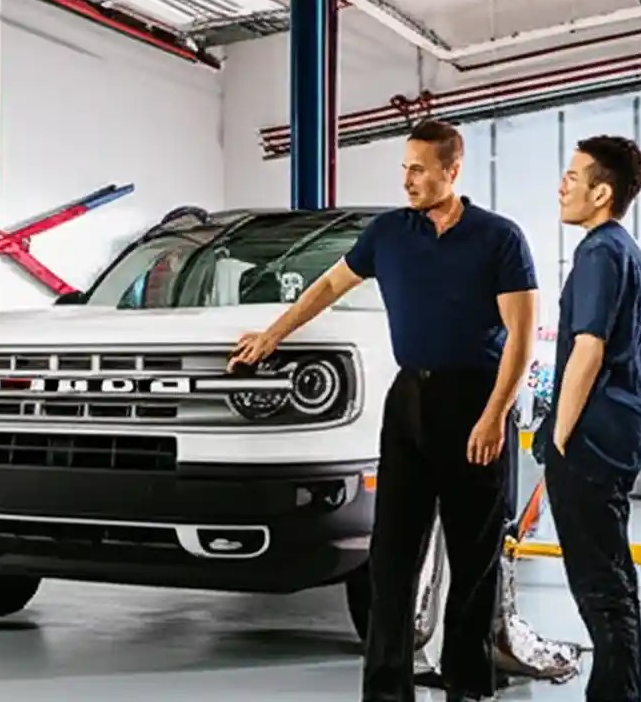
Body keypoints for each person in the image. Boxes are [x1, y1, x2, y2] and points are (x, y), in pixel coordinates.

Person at [229, 118, 538, 702]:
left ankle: (467, 681)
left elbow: (521, 338)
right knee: (392, 553)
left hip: (477, 401)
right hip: (409, 402)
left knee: (474, 557)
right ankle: (386, 687)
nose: (409, 180)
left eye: (420, 169)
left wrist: (495, 414)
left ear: (453, 170)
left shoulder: (500, 238)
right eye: (405, 168)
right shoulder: (388, 233)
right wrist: (273, 334)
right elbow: (327, 286)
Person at [537, 135, 641, 702]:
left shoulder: (598, 252)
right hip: (621, 435)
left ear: (602, 191)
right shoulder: (625, 252)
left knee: (600, 585)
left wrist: (559, 437)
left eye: (572, 175)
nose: (562, 185)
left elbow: (588, 349)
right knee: (612, 580)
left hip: (592, 440)